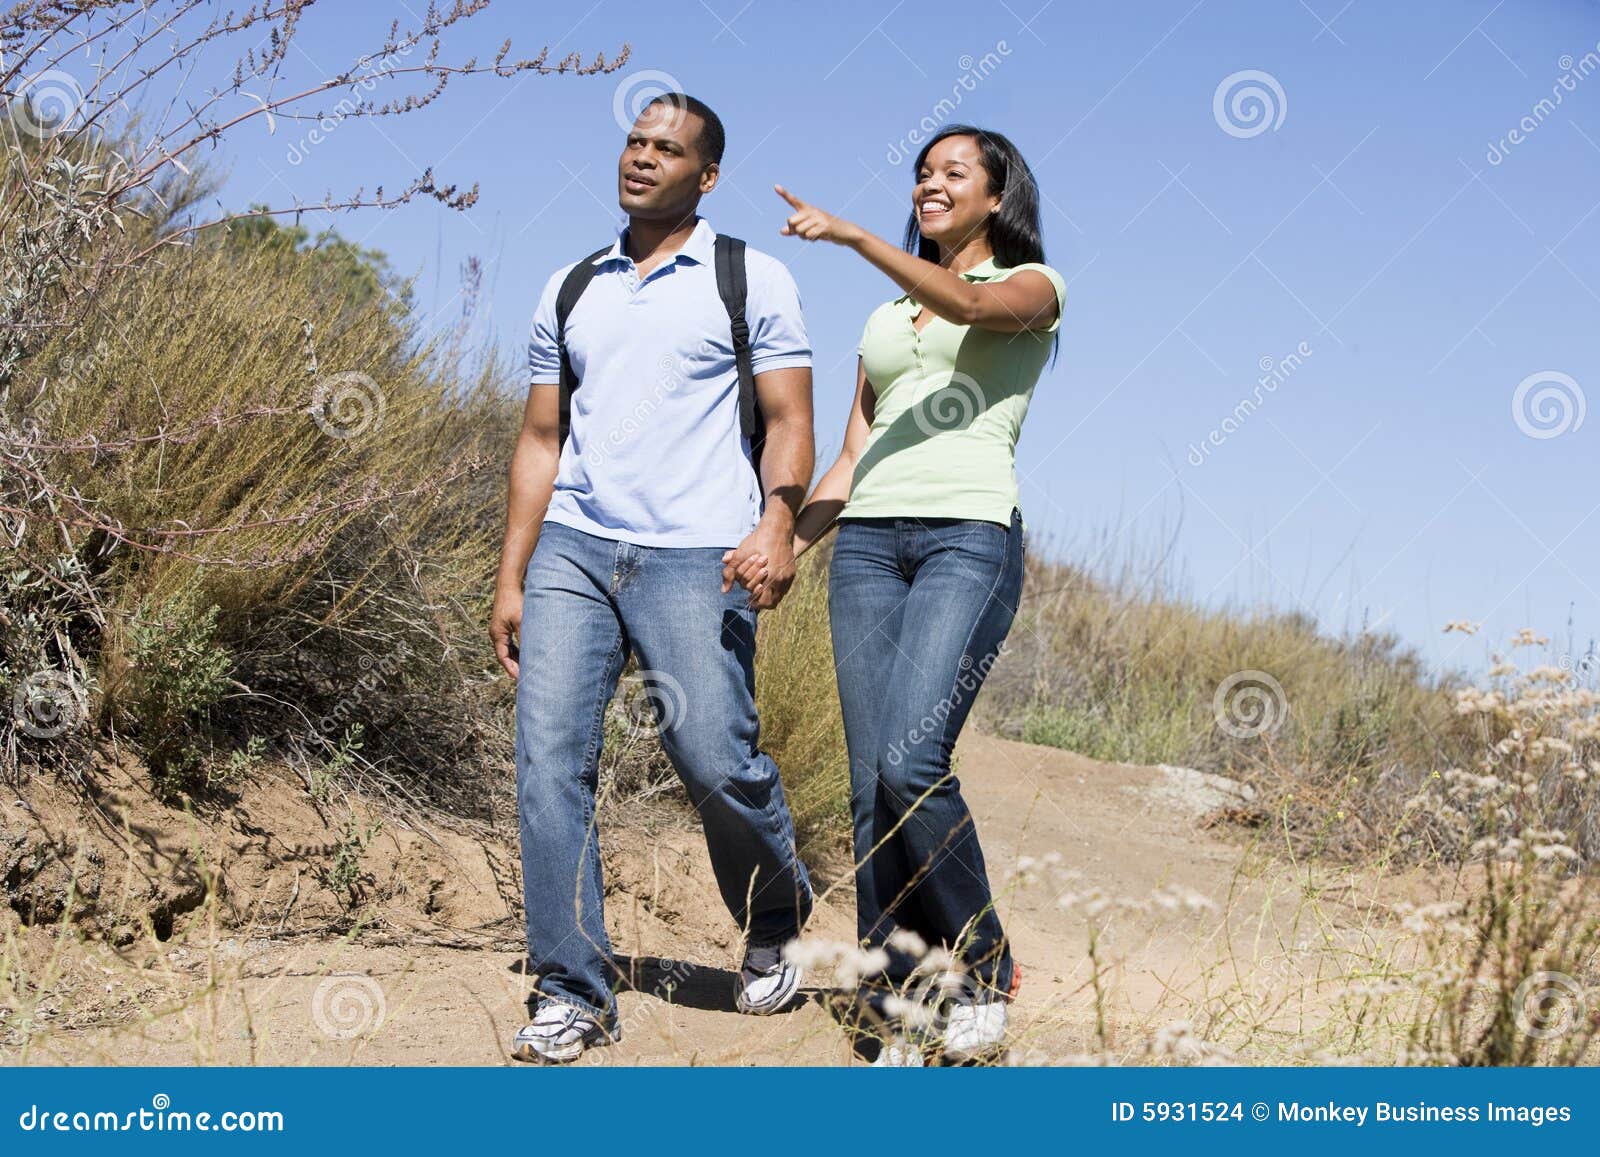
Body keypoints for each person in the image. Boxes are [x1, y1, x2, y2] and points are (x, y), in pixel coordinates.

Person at [724, 124, 1065, 1064]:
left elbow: (967, 302)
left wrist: (856, 240)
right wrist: (781, 542)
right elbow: (850, 457)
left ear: (997, 196)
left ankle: (987, 968)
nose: (930, 183)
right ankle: (899, 996)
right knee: (874, 785)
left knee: (915, 759)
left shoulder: (1032, 289)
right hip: (869, 548)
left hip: (968, 539)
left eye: (954, 172)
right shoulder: (884, 326)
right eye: (921, 171)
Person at [491, 92, 815, 1064]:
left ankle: (772, 916)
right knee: (550, 760)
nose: (642, 158)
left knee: (716, 758)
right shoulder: (571, 285)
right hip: (575, 551)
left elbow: (790, 419)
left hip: (698, 553)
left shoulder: (747, 276)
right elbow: (541, 437)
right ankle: (571, 989)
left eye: (666, 149)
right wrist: (512, 573)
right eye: (634, 141)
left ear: (705, 175)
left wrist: (779, 521)